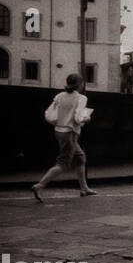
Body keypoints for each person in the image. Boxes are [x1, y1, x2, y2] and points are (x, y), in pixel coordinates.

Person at [32, 73, 95, 202]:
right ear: (80, 84)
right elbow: (78, 119)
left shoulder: (60, 96)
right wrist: (87, 118)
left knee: (80, 157)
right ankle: (40, 185)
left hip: (59, 131)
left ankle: (84, 188)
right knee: (64, 163)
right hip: (70, 133)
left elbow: (48, 114)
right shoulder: (81, 98)